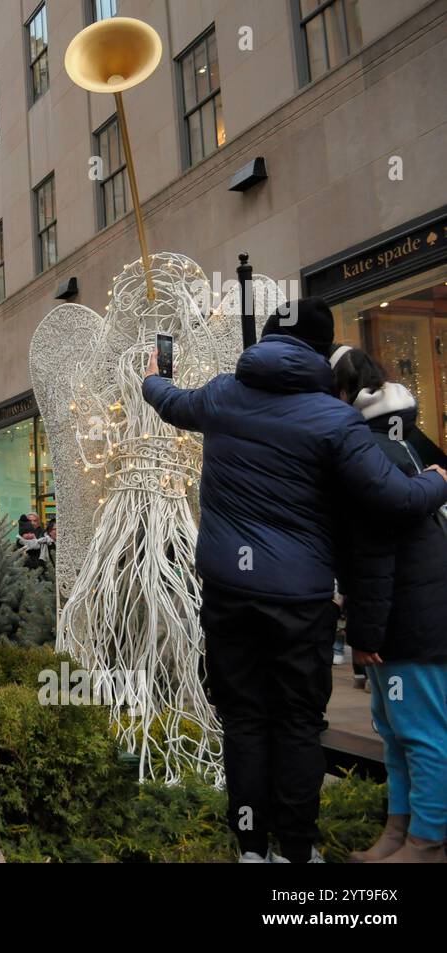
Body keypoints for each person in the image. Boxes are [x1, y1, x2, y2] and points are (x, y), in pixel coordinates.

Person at [141, 298, 447, 864]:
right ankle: (297, 853)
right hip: (300, 599)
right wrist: (437, 479)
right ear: (322, 349)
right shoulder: (334, 420)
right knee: (299, 722)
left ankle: (252, 849)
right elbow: (397, 500)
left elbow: (168, 401)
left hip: (228, 592)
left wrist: (152, 380)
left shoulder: (220, 396)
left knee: (244, 719)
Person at [330, 345, 447, 864]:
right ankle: (400, 833)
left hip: (408, 621)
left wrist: (366, 634)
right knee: (397, 730)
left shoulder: (373, 455)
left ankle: (426, 840)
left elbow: (374, 556)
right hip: (406, 616)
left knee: (418, 733)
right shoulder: (397, 447)